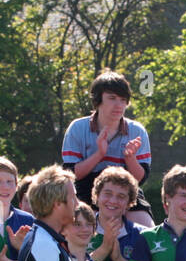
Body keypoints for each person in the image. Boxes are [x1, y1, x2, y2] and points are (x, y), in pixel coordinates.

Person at [61, 71, 155, 227]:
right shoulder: (78, 127)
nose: (118, 105)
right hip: (86, 187)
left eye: (123, 100)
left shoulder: (137, 131)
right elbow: (70, 174)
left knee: (147, 231)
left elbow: (140, 178)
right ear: (98, 100)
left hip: (126, 187)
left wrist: (130, 158)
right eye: (112, 98)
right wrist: (99, 154)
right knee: (79, 227)